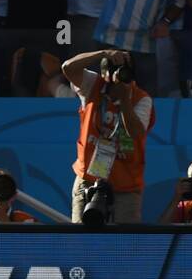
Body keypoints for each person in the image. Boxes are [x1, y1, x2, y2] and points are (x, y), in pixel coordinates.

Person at [61, 48, 154, 225]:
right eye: (114, 69)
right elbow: (68, 67)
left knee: (124, 245)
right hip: (88, 179)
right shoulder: (93, 84)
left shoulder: (142, 99)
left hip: (125, 186)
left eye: (124, 70)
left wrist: (124, 100)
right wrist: (102, 54)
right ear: (104, 71)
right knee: (82, 240)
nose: (118, 75)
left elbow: (135, 133)